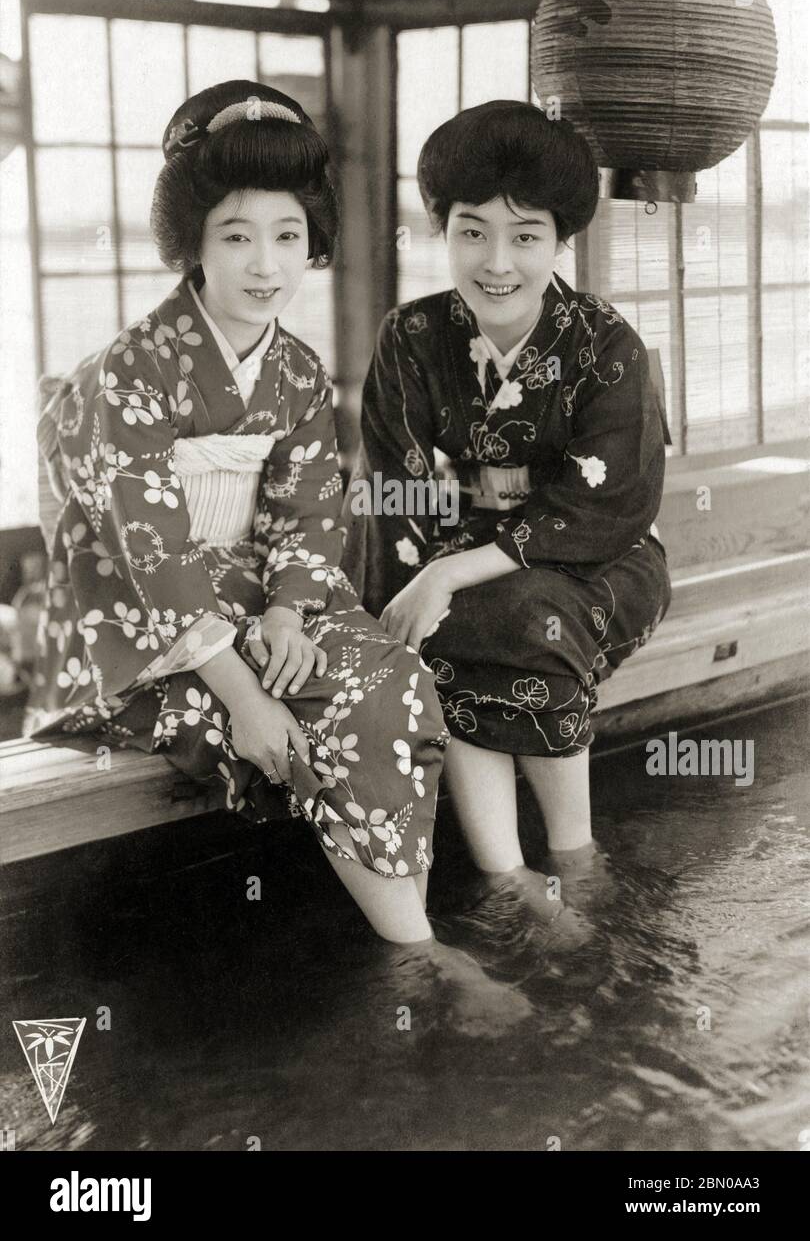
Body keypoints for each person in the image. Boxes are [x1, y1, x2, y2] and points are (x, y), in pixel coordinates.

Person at [24, 80, 451, 947]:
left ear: (312, 241)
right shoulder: (132, 371)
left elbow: (308, 513)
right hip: (139, 614)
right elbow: (151, 549)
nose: (267, 265)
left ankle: (409, 931)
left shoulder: (294, 373)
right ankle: (412, 951)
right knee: (284, 721)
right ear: (194, 245)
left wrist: (293, 609)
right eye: (237, 236)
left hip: (258, 595)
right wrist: (248, 695)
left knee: (398, 683)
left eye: (288, 236)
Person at [343, 99, 673, 913]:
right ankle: (509, 876)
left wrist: (451, 574)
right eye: (471, 230)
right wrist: (413, 592)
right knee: (435, 631)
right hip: (454, 555)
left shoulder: (606, 344)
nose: (497, 262)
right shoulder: (412, 338)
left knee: (530, 621)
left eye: (525, 235)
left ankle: (572, 851)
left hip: (604, 556)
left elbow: (610, 503)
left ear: (561, 241)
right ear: (441, 229)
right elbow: (398, 485)